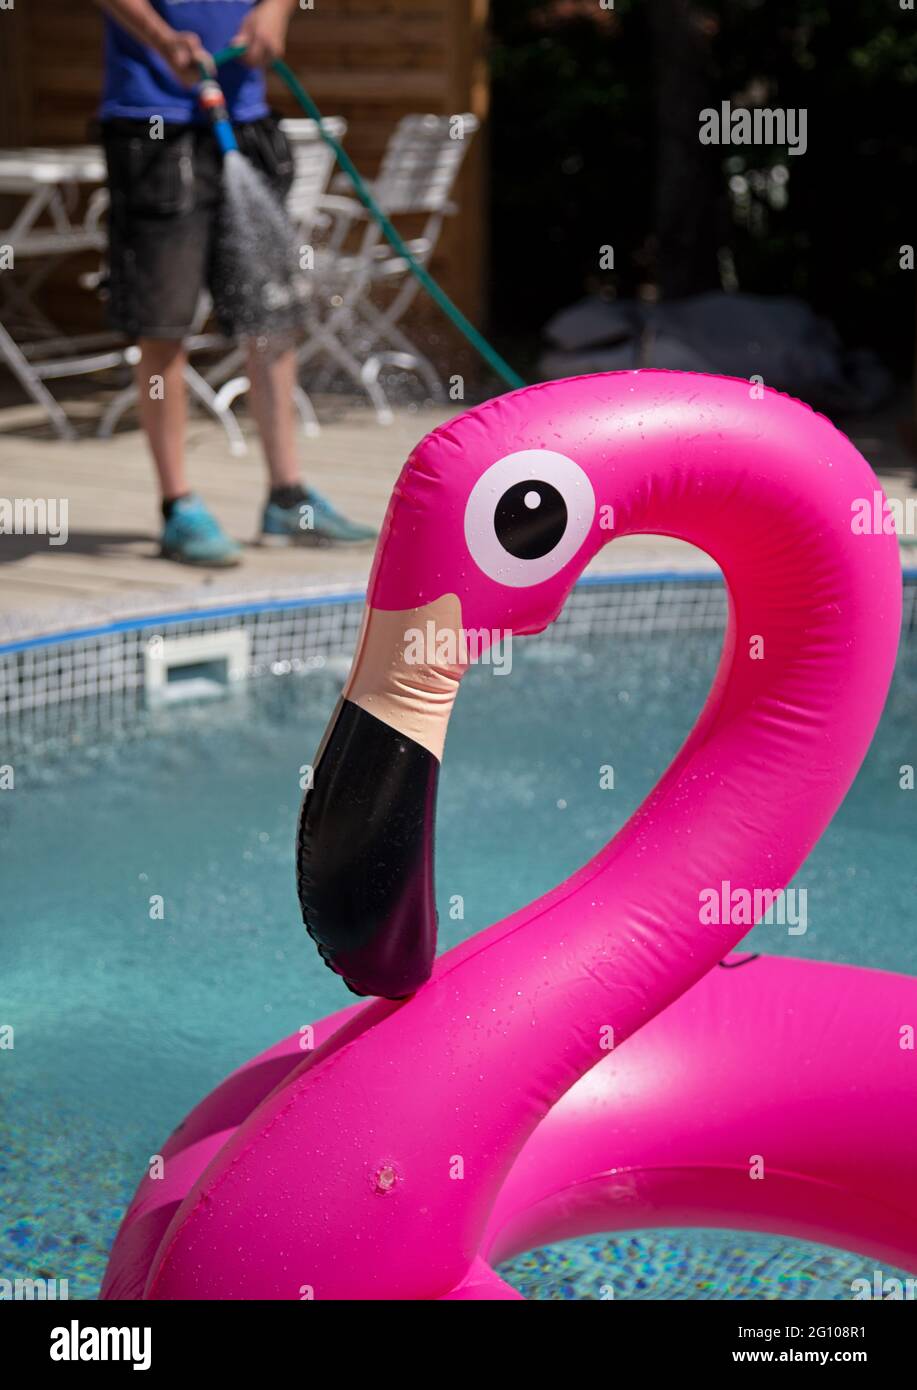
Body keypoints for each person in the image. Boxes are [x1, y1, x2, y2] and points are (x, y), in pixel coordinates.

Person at [94, 0, 376, 565]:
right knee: (163, 327)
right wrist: (159, 36)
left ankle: (288, 497)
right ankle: (179, 506)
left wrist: (276, 14)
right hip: (155, 126)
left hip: (245, 119)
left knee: (273, 317)